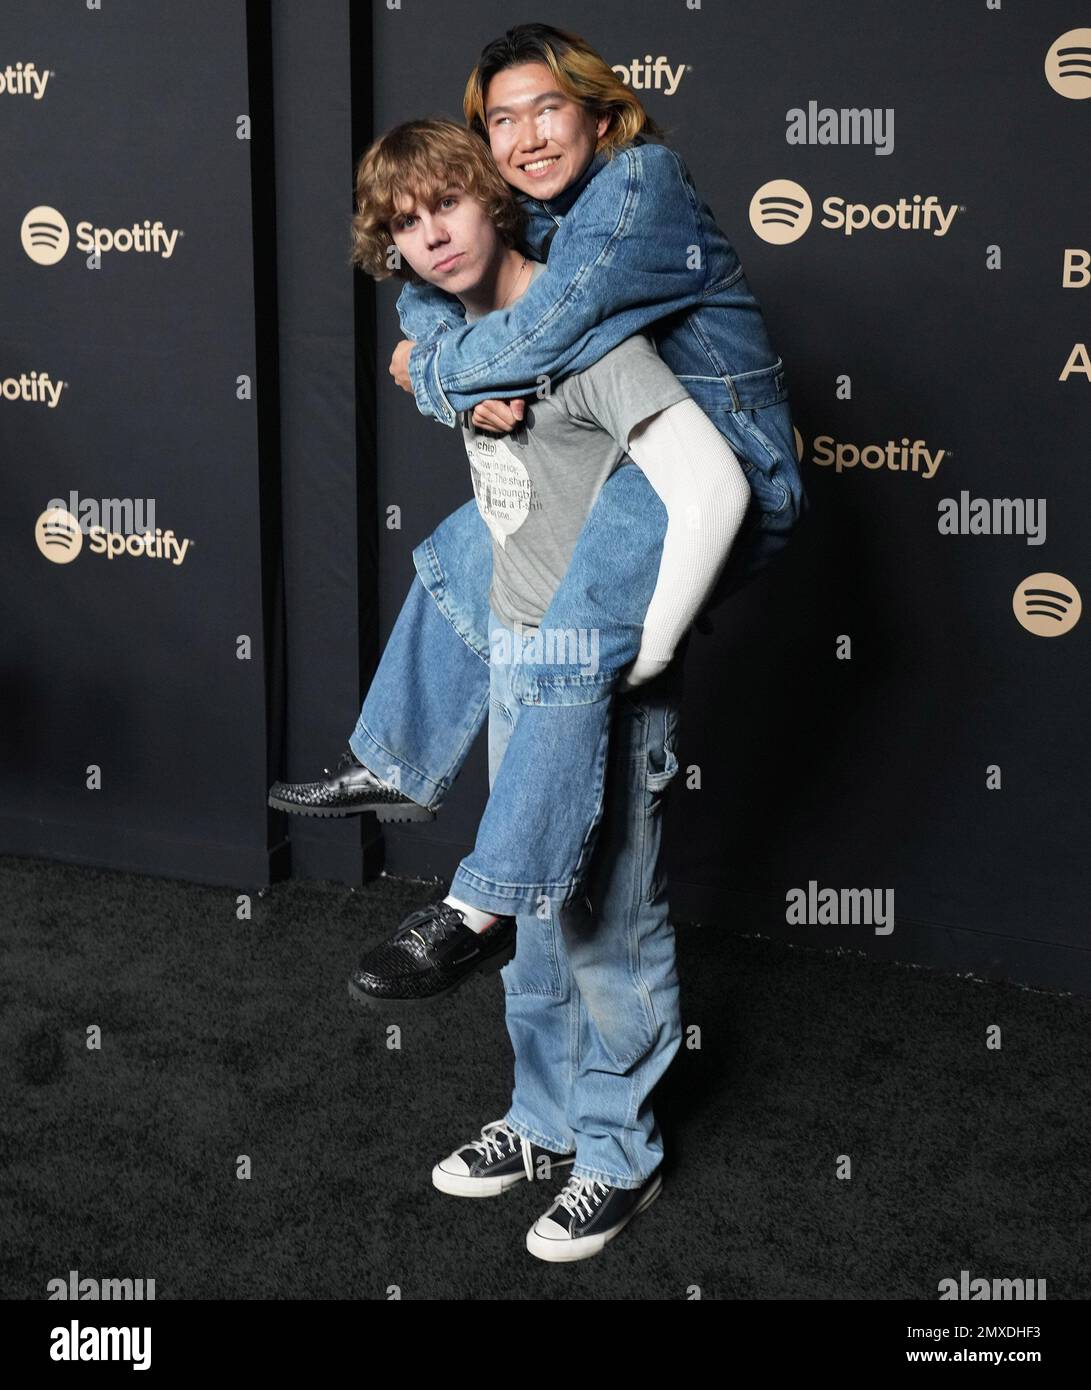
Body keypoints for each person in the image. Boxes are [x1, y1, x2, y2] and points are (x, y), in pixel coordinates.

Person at [268, 25, 808, 1027]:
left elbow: (544, 328)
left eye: (544, 108)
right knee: (468, 547)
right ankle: (395, 758)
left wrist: (434, 375)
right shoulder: (543, 218)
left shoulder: (635, 188)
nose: (523, 135)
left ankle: (477, 904)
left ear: (600, 117)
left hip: (720, 462)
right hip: (625, 460)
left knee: (571, 648)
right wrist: (439, 353)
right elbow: (446, 283)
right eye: (500, 120)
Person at [344, 115, 750, 1261]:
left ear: (496, 202)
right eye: (404, 224)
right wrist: (446, 382)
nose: (430, 236)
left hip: (601, 672)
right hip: (524, 666)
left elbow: (709, 485)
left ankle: (618, 1156)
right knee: (530, 914)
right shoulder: (468, 345)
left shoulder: (586, 332)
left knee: (606, 924)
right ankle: (542, 1123)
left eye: (447, 207)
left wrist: (653, 646)